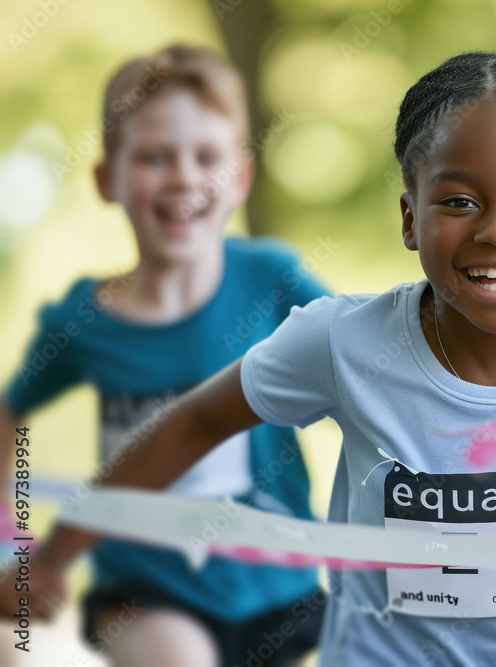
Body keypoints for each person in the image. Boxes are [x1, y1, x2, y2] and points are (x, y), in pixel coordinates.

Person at [7, 50, 496, 665]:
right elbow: (190, 424)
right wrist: (58, 555)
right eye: (459, 200)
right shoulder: (343, 341)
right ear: (410, 218)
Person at [0, 45, 330, 666]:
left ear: (241, 177)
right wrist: (12, 549)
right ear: (107, 180)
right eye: (154, 157)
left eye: (206, 156)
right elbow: (8, 414)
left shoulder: (272, 280)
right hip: (143, 593)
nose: (182, 176)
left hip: (278, 586)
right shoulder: (83, 320)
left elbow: (366, 358)